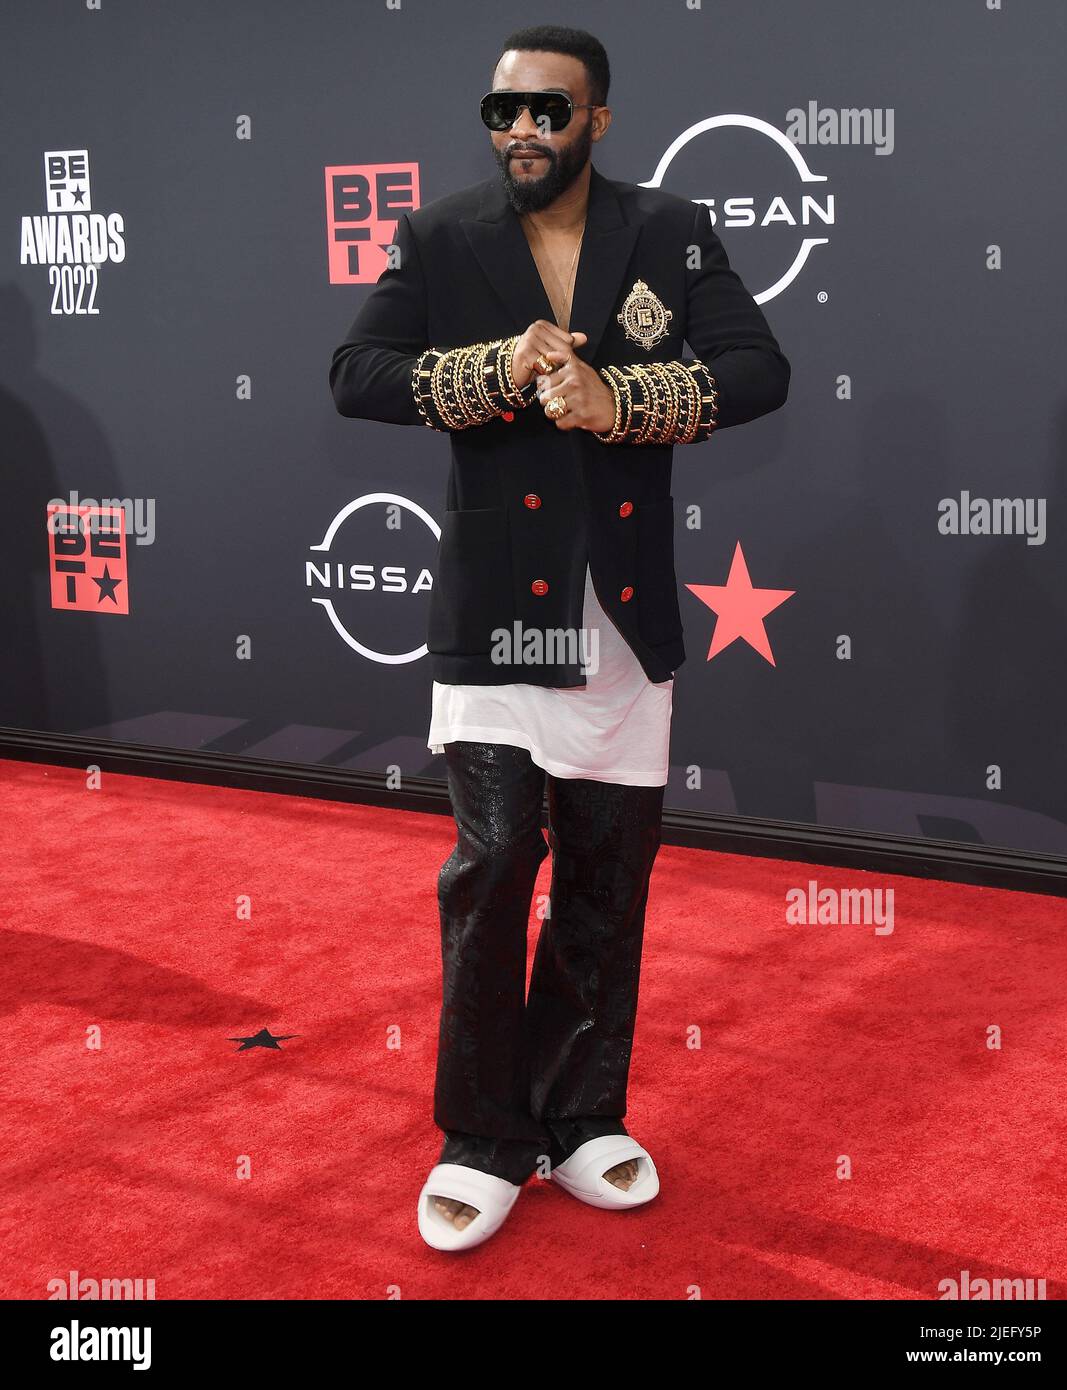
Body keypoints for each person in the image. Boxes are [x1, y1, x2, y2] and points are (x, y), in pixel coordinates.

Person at [330, 24, 790, 1250]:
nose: (520, 130)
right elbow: (355, 371)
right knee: (490, 870)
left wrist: (622, 400)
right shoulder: (442, 235)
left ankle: (579, 1116)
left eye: (547, 110)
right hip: (492, 613)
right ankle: (482, 1133)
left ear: (597, 120)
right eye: (501, 110)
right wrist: (490, 368)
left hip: (619, 617)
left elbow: (758, 367)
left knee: (604, 878)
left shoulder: (669, 230)